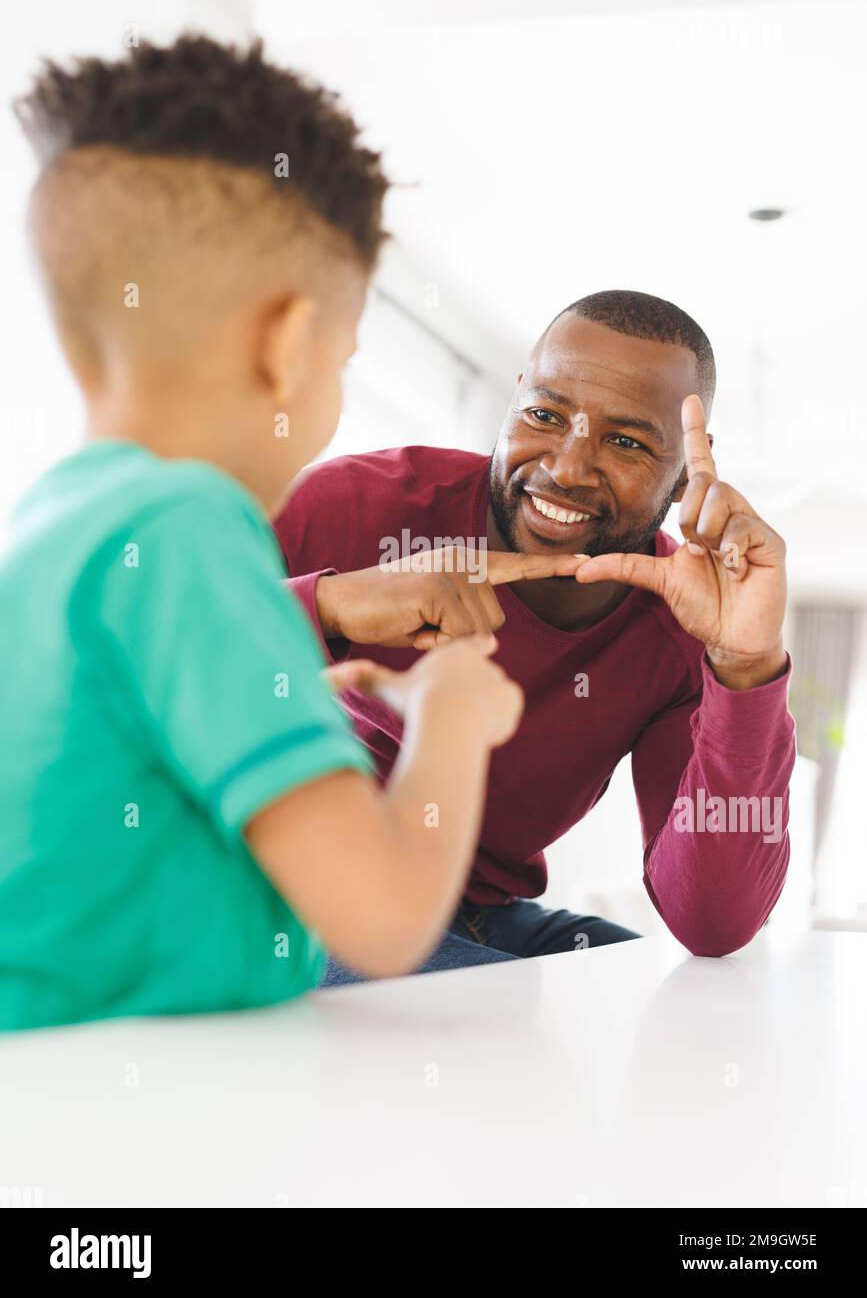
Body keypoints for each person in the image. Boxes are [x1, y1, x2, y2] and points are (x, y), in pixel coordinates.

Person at [0, 34, 580, 1031]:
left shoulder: (56, 525)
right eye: (346, 355)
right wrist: (448, 712)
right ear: (288, 345)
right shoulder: (192, 527)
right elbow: (385, 920)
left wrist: (288, 694)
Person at [274, 290, 796, 983]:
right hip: (292, 891)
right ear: (514, 399)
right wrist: (332, 603)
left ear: (680, 478)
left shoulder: (681, 623)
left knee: (704, 1008)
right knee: (493, 1031)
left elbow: (712, 924)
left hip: (479, 913)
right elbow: (131, 666)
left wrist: (743, 664)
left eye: (627, 441)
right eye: (544, 415)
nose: (567, 467)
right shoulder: (360, 504)